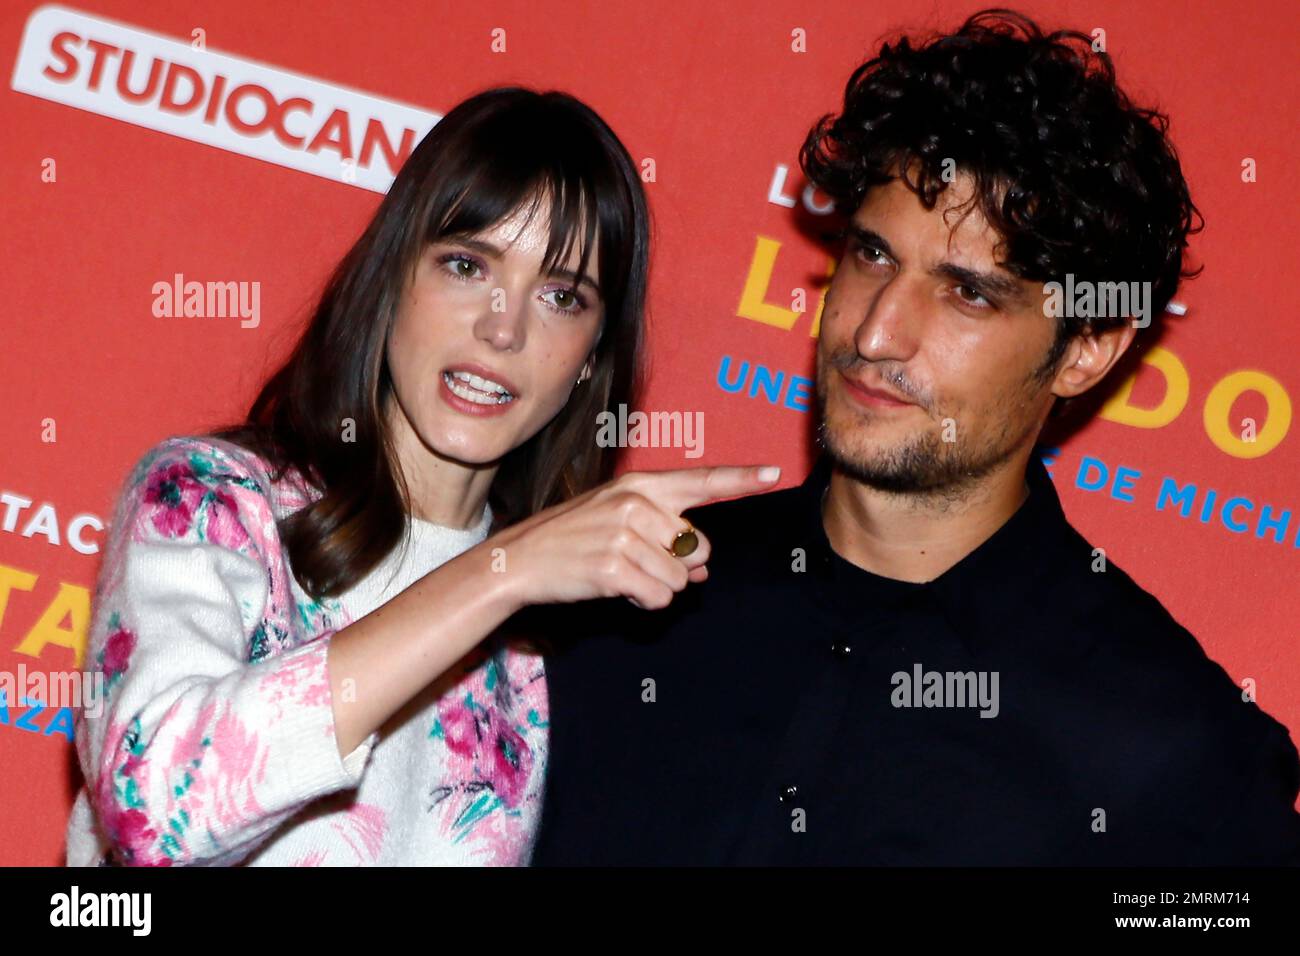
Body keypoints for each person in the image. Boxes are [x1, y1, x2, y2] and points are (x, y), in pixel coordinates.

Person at [532, 9, 1300, 865]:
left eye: (968, 293)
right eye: (871, 255)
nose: (875, 333)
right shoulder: (624, 597)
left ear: (1085, 350)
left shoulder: (1172, 753)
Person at [66, 85, 780, 866]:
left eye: (560, 296)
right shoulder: (211, 500)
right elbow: (153, 812)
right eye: (467, 265)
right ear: (392, 276)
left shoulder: (547, 654)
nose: (502, 328)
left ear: (590, 361)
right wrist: (496, 575)